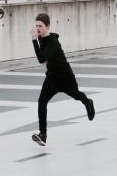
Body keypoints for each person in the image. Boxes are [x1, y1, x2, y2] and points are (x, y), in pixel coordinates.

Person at [30, 12, 94, 146]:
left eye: (40, 26)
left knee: (76, 95)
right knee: (42, 102)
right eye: (36, 26)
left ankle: (88, 102)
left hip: (65, 77)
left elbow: (41, 58)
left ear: (47, 26)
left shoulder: (54, 42)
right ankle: (43, 135)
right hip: (52, 78)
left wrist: (34, 40)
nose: (38, 28)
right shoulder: (42, 39)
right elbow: (43, 59)